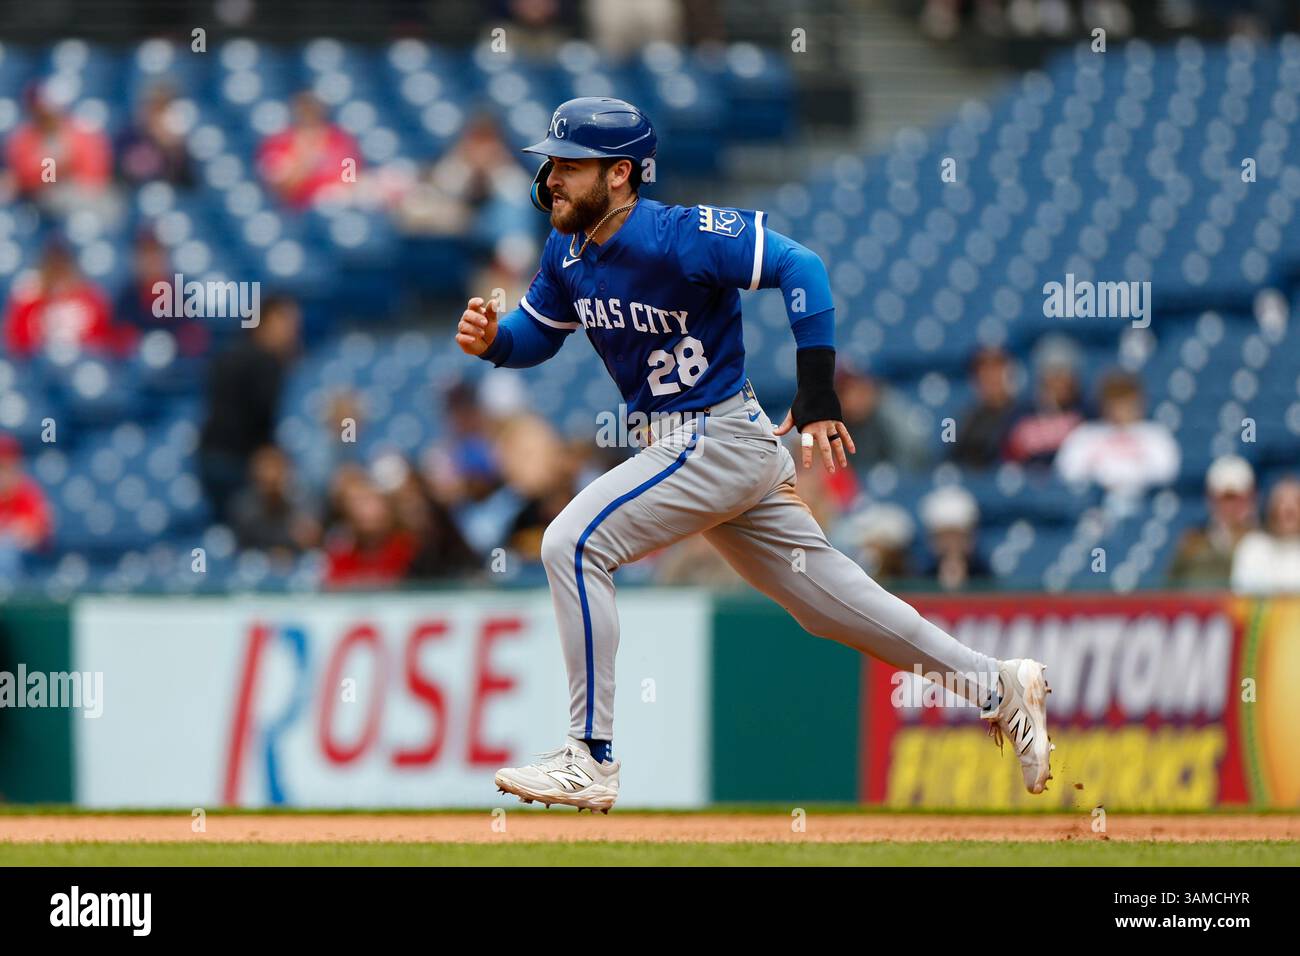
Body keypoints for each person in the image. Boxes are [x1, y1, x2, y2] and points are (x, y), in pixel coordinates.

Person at [455, 98, 1053, 812]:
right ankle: (1000, 685)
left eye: (568, 164)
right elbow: (538, 335)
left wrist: (817, 390)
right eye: (550, 162)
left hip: (714, 436)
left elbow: (804, 266)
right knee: (834, 608)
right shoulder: (568, 252)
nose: (551, 177)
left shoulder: (678, 235)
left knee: (572, 543)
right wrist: (496, 341)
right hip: (700, 451)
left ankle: (590, 757)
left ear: (619, 174)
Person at [197, 296, 301, 522]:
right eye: (285, 322)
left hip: (210, 455)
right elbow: (262, 415)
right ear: (264, 322)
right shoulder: (267, 361)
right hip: (239, 461)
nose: (292, 332)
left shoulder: (227, 353)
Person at [1054, 370, 1180, 509]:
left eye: (1126, 402)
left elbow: (1167, 472)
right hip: (1094, 507)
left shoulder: (1156, 435)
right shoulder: (1085, 434)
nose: (1120, 409)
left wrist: (1127, 481)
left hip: (1145, 504)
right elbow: (1068, 472)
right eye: (1115, 402)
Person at [3, 242, 125, 357]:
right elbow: (16, 346)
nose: (58, 275)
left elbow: (102, 343)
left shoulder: (90, 300)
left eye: (62, 267)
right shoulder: (29, 301)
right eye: (53, 268)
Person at [257, 92, 359, 209]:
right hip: (300, 209)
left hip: (337, 202)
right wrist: (304, 160)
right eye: (305, 110)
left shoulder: (340, 140)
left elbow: (350, 178)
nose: (309, 115)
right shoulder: (278, 143)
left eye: (313, 110)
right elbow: (280, 189)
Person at [1168, 455, 1258, 588]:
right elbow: (1170, 590)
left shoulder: (1264, 541)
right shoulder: (1193, 543)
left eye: (1236, 498)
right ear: (1211, 499)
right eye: (1225, 498)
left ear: (1251, 498)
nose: (1231, 506)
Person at [1004, 334, 1085, 468]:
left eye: (1063, 373)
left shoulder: (1087, 414)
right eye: (1052, 373)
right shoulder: (1021, 416)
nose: (1057, 382)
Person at [950, 346, 1019, 469]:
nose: (991, 377)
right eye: (984, 371)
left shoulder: (1024, 414)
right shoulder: (964, 421)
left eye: (996, 369)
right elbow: (951, 460)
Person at [1231, 476, 1300, 594]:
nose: (1288, 509)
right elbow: (1241, 596)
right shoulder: (1252, 547)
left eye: (1296, 501)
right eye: (1281, 501)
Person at [0, 436, 51, 581]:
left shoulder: (27, 493)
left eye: (5, 468)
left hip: (22, 569)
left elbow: (36, 536)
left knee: (6, 555)